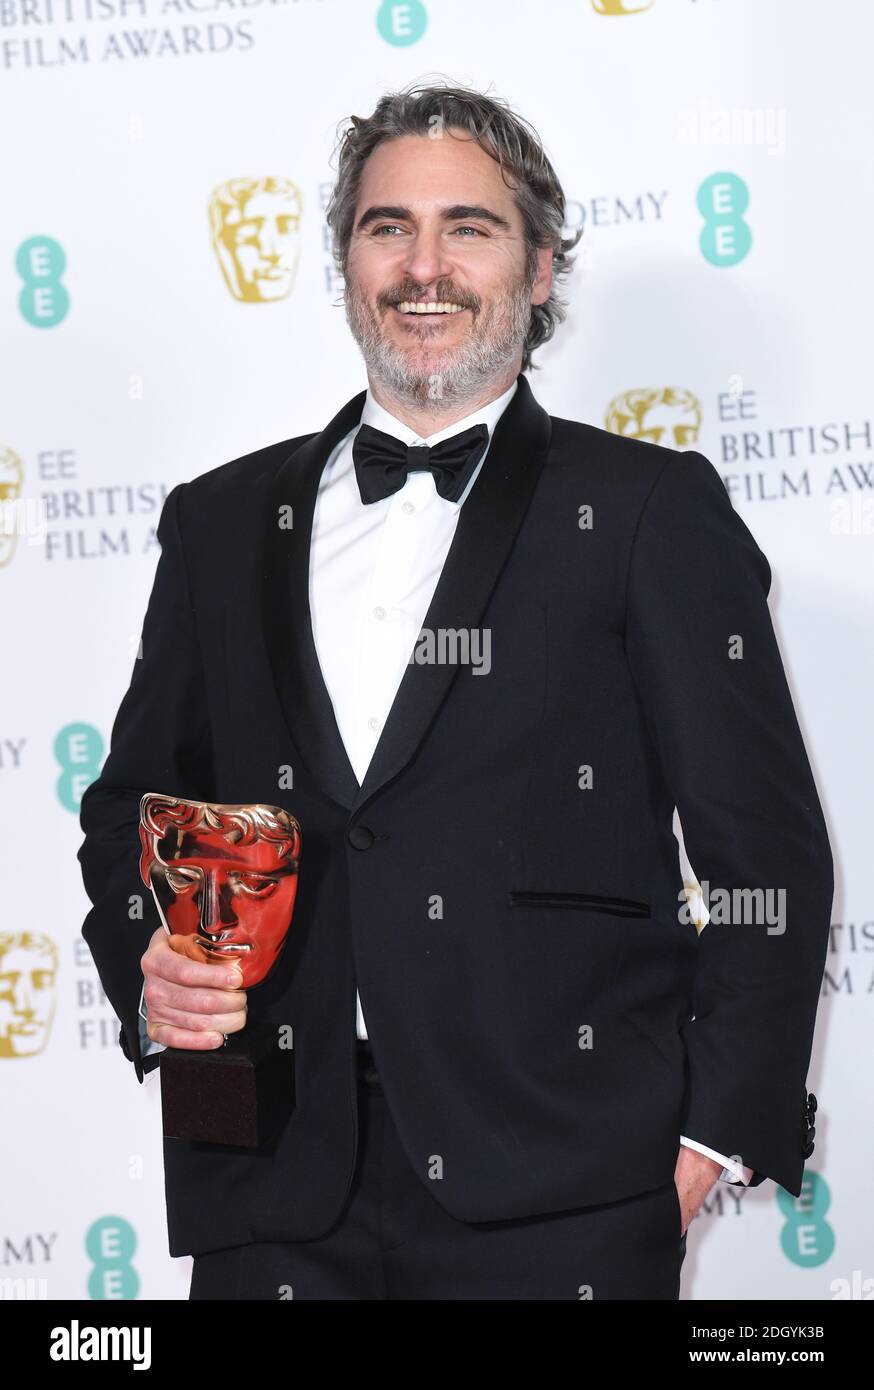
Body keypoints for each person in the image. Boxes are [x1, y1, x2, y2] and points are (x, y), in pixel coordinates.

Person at [77, 81, 832, 1300]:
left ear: (538, 270)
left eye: (468, 229)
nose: (424, 266)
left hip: (562, 1189)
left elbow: (764, 855)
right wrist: (153, 961)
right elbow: (131, 807)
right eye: (388, 228)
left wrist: (706, 1141)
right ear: (346, 262)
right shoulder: (221, 521)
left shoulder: (645, 511)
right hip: (267, 1174)